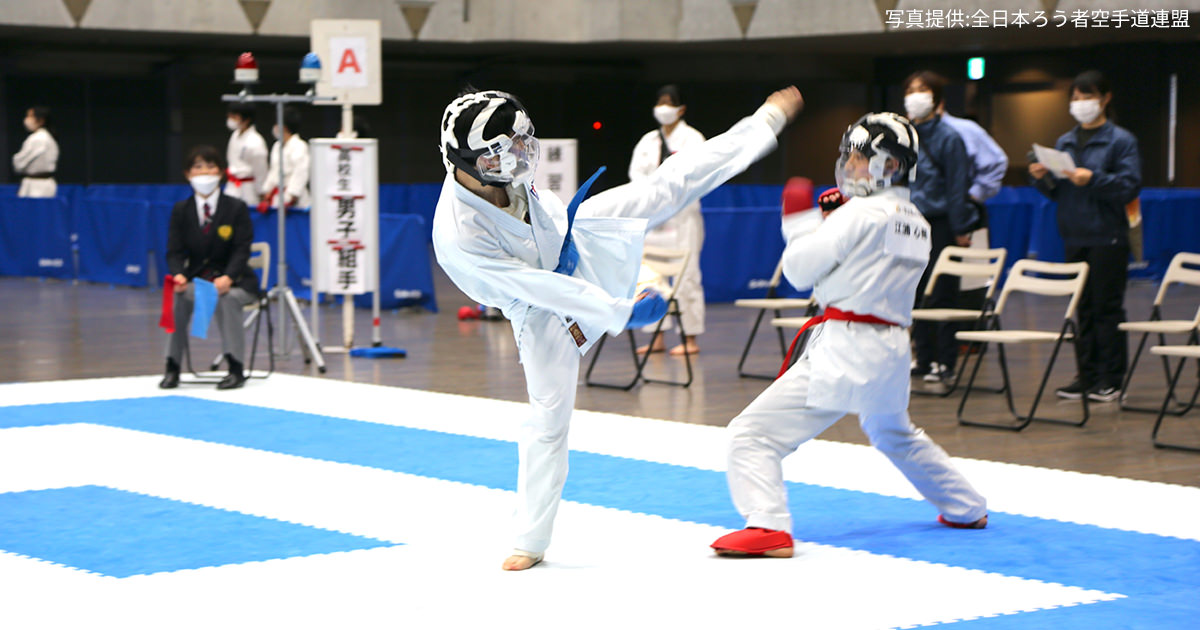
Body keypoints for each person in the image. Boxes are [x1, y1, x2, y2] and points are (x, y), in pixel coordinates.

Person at [433, 86, 803, 570]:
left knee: (664, 186)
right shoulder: (458, 236)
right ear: (466, 161)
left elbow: (551, 225)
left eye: (524, 143)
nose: (520, 159)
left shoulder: (503, 168)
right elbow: (541, 290)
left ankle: (762, 124)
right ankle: (530, 539)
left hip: (570, 236)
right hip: (534, 307)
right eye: (505, 153)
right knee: (548, 422)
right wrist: (621, 310)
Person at [711, 113, 988, 559]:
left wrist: (800, 221)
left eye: (860, 158)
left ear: (889, 165)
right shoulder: (917, 221)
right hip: (892, 346)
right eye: (849, 157)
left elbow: (800, 272)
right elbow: (866, 263)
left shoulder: (860, 213)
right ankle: (966, 505)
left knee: (751, 434)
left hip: (845, 346)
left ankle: (768, 525)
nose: (851, 166)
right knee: (893, 432)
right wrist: (833, 222)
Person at [1029, 70, 1141, 403]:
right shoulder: (1065, 141)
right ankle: (1087, 374)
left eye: (1087, 97)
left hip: (1108, 236)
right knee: (1083, 308)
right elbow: (1058, 193)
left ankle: (1110, 377)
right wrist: (1041, 178)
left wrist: (1092, 178)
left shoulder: (1121, 140)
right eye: (1075, 99)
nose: (1081, 104)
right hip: (1074, 233)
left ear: (1105, 99)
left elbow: (1129, 186)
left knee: (1106, 307)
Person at [160, 146, 258, 391]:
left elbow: (241, 249)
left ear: (222, 173)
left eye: (211, 166)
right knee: (175, 296)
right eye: (198, 167)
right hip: (197, 281)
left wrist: (229, 277)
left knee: (228, 299)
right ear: (187, 174)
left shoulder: (236, 208)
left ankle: (235, 368)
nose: (205, 172)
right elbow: (174, 251)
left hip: (235, 282)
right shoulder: (181, 210)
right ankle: (172, 367)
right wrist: (178, 274)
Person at [903, 71, 974, 385]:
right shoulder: (904, 136)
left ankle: (946, 361)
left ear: (937, 99)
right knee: (913, 292)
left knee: (943, 291)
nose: (915, 95)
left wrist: (961, 227)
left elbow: (958, 186)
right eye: (911, 90)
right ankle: (923, 357)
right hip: (909, 224)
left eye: (922, 90)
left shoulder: (949, 137)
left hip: (942, 223)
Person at [628, 85, 707, 355]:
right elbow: (635, 174)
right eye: (659, 102)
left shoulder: (694, 139)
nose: (663, 108)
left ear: (681, 109)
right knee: (651, 278)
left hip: (683, 217)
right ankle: (656, 336)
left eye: (668, 103)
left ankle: (690, 338)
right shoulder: (648, 141)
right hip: (654, 218)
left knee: (687, 278)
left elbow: (697, 174)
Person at [936, 101, 1009, 343]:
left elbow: (998, 161)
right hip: (929, 217)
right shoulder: (909, 131)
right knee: (931, 282)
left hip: (967, 212)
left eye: (922, 91)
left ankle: (970, 342)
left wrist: (973, 194)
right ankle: (932, 347)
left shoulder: (965, 129)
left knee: (972, 279)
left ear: (938, 100)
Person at [259, 106, 311, 212]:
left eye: (276, 124)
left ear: (284, 127)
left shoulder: (300, 146)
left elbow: (300, 173)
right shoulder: (277, 146)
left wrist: (290, 197)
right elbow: (274, 171)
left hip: (295, 201)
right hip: (277, 196)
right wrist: (267, 191)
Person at [224, 103, 269, 206]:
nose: (231, 120)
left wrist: (261, 192)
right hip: (231, 186)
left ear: (247, 119)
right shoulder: (235, 135)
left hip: (248, 190)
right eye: (230, 116)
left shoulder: (255, 142)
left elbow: (261, 171)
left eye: (234, 117)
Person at [12, 106, 59, 198]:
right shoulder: (43, 137)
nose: (27, 120)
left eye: (30, 116)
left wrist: (16, 163)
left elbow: (19, 163)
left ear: (41, 120)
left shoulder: (39, 138)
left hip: (38, 187)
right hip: (34, 184)